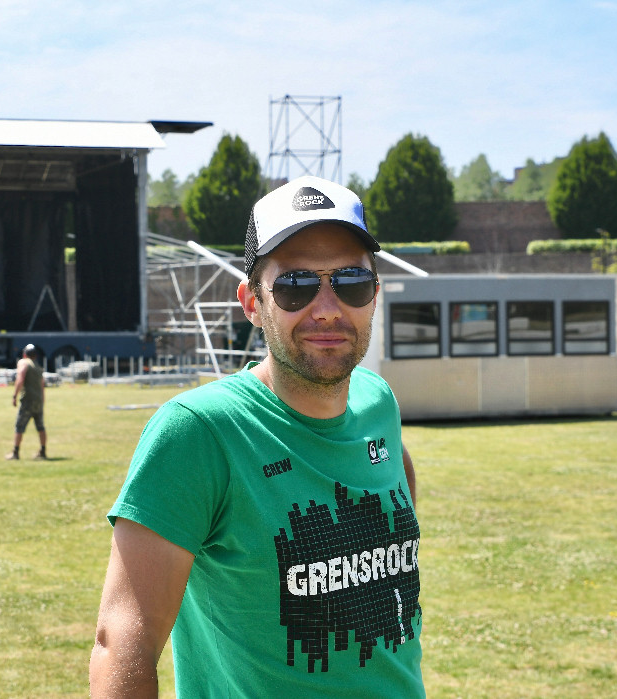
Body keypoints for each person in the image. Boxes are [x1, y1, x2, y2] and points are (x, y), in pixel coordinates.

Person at [90, 176, 423, 697]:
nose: (328, 308)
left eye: (351, 281)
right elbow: (121, 644)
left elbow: (396, 471)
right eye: (295, 285)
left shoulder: (378, 401)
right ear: (252, 302)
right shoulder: (198, 432)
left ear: (375, 294)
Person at [6, 343, 47, 460]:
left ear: (25, 354)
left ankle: (15, 452)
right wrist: (42, 402)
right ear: (36, 356)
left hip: (28, 401)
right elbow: (42, 386)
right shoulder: (39, 367)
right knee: (41, 427)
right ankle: (43, 452)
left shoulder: (23, 363)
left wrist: (14, 395)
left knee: (19, 426)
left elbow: (20, 377)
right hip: (38, 401)